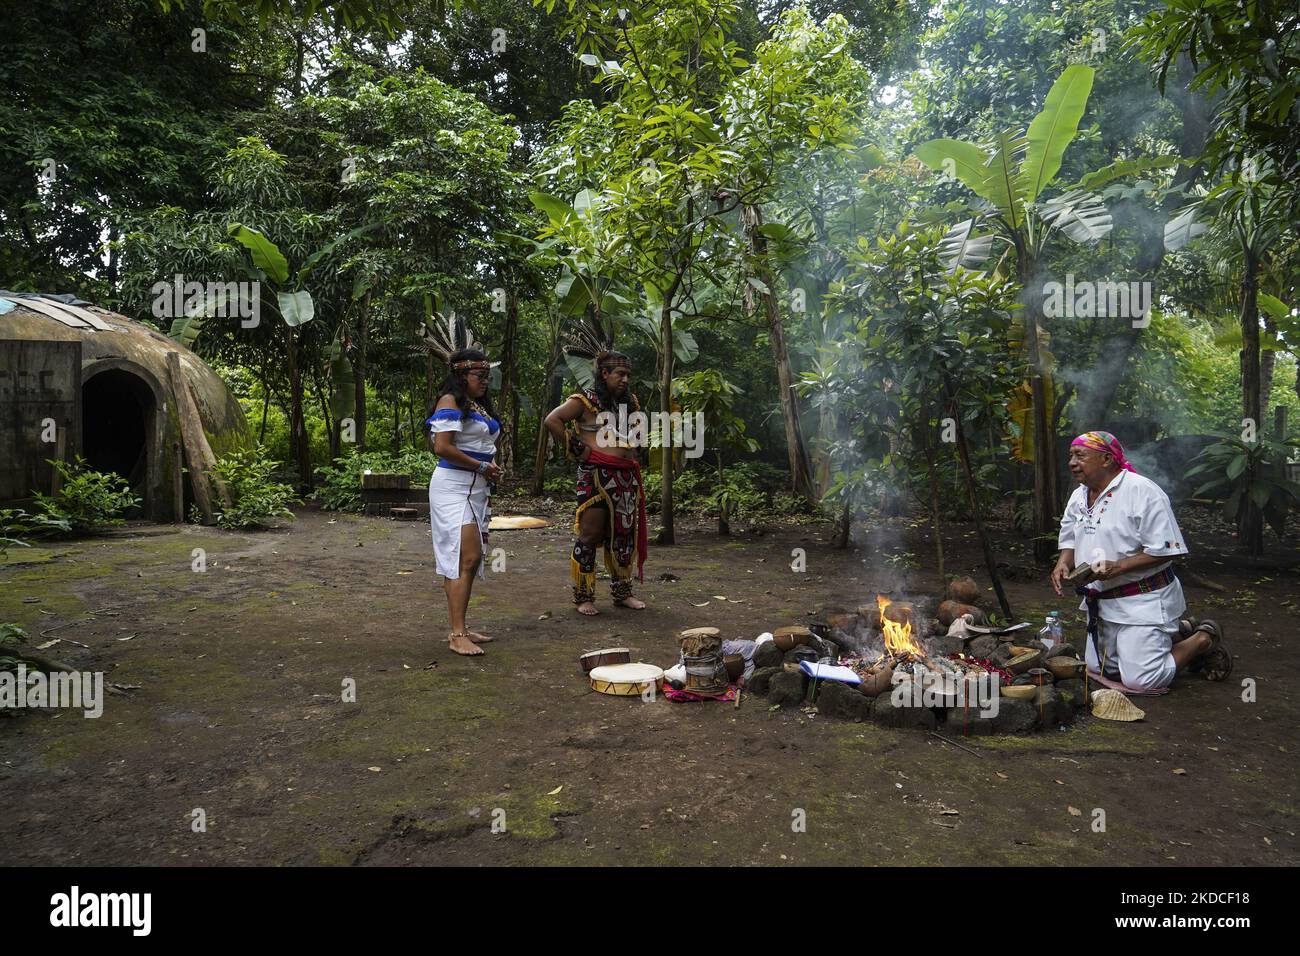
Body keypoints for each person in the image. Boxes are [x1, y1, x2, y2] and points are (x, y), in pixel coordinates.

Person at [1051, 430, 1232, 689]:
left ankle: (1202, 638)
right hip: (1102, 603)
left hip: (1142, 600)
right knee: (1098, 668)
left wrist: (1119, 567)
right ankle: (1179, 630)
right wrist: (1062, 563)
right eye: (1070, 456)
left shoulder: (1142, 491)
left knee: (1141, 680)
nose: (1072, 462)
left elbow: (1170, 549)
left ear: (1106, 459)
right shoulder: (1079, 495)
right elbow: (1069, 535)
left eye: (1080, 455)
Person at [543, 349, 648, 616]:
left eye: (628, 375)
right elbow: (552, 420)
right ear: (604, 374)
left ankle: (623, 592)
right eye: (619, 374)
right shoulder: (583, 400)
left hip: (625, 477)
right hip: (596, 476)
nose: (625, 380)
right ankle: (583, 595)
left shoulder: (629, 402)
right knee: (590, 534)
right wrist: (578, 449)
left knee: (623, 536)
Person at [426, 346, 502, 656]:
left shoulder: (476, 404)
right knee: (463, 557)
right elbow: (442, 447)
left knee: (469, 560)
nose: (485, 380)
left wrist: (486, 469)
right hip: (452, 488)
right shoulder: (450, 402)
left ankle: (462, 627)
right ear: (461, 375)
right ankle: (457, 634)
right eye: (478, 375)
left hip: (476, 489)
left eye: (488, 375)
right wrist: (482, 466)